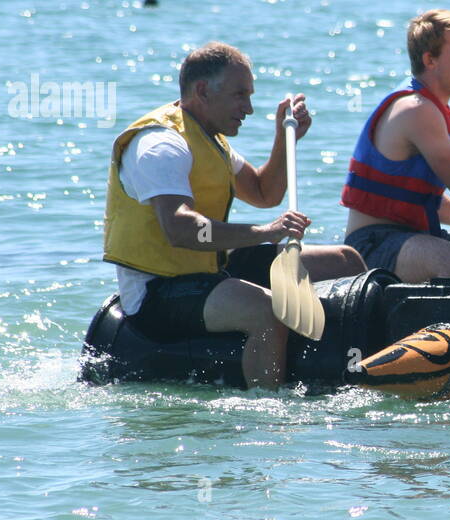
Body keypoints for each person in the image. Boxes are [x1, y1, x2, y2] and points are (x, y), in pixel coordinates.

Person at [103, 42, 364, 390]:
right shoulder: (161, 145)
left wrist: (285, 139)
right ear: (202, 91)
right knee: (269, 312)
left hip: (211, 268)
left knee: (346, 261)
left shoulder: (211, 139)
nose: (249, 108)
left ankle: (354, 362)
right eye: (240, 95)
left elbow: (262, 192)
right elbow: (180, 229)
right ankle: (270, 410)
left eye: (250, 96)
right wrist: (265, 232)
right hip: (158, 292)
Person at [342, 10, 450, 282]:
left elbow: (423, 198)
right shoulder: (416, 110)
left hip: (420, 236)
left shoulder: (434, 108)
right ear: (430, 59)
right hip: (373, 245)